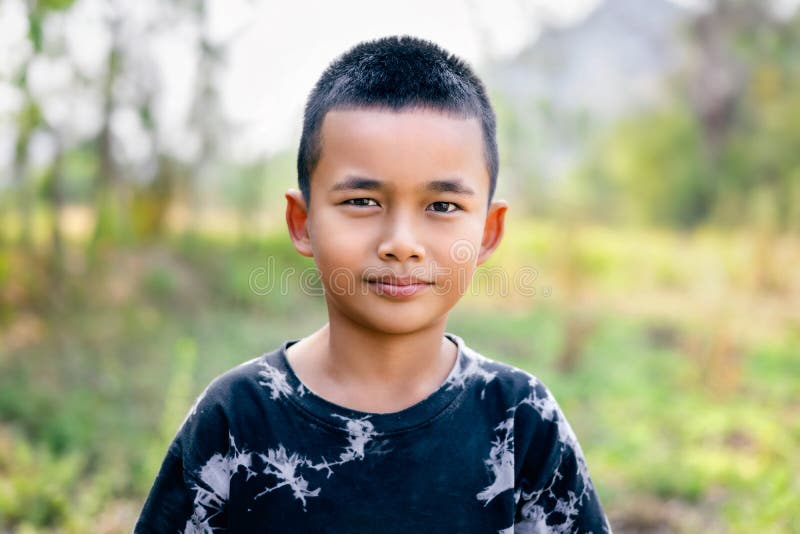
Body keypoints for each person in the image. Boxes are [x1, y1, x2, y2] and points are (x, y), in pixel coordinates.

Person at [135, 35, 610, 533]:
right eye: (362, 202)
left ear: (488, 232)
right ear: (302, 222)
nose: (402, 243)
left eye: (442, 206)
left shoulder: (520, 419)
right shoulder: (237, 417)